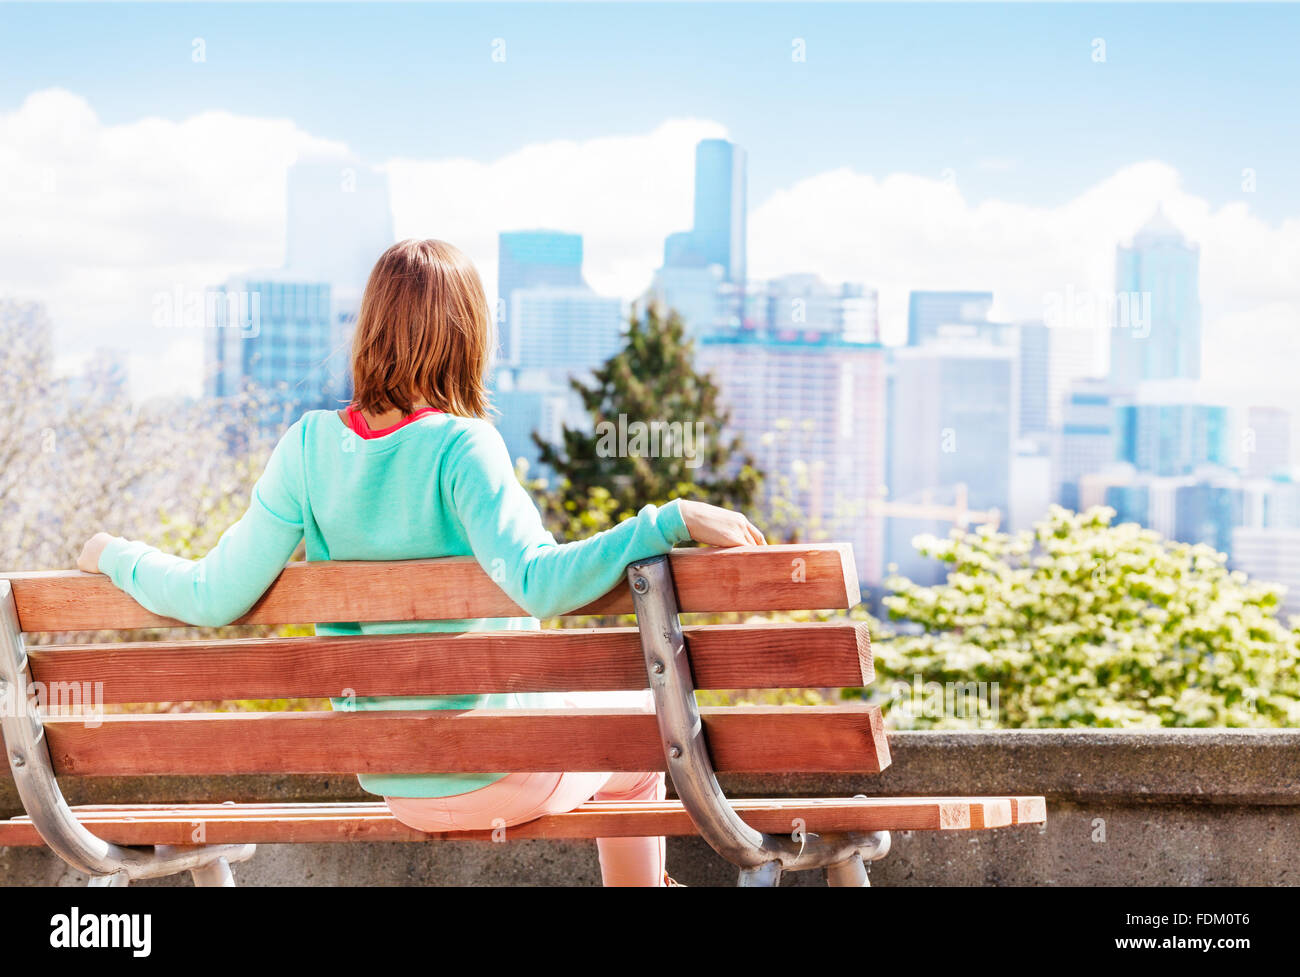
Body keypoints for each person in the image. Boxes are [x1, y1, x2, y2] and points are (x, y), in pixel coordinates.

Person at [77, 238, 766, 887]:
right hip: (502, 775)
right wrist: (666, 519)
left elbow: (211, 594)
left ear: (371, 326)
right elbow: (540, 583)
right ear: (469, 336)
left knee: (617, 729)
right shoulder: (464, 447)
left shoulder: (307, 447)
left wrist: (114, 553)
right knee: (644, 733)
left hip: (396, 783)